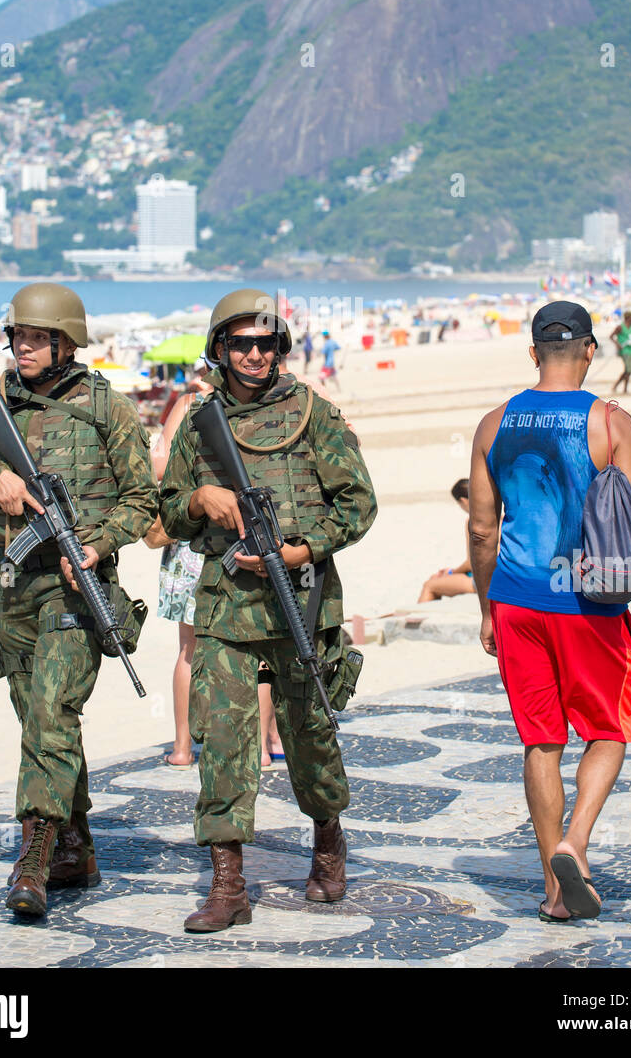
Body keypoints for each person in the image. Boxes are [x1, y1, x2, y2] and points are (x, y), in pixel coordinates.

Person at [159, 288, 377, 933]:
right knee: (223, 742)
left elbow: (358, 505)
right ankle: (228, 884)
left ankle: (328, 838)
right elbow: (166, 512)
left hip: (302, 604)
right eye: (240, 344)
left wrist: (300, 548)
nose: (254, 355)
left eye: (265, 343)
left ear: (280, 348)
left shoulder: (315, 415)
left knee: (310, 736)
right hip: (227, 609)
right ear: (219, 350)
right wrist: (202, 498)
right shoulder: (200, 424)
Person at [0, 284, 158, 919]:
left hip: (75, 590)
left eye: (38, 338)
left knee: (51, 715)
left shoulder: (105, 409)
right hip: (11, 592)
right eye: (18, 338)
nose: (24, 348)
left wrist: (97, 543)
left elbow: (142, 501)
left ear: (66, 342)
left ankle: (31, 859)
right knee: (41, 722)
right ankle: (76, 846)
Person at [468, 300, 631, 923]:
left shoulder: (493, 423)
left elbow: (482, 530)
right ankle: (576, 843)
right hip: (589, 602)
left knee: (541, 741)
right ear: (591, 350)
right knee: (609, 728)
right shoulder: (610, 422)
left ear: (533, 353)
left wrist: (487, 609)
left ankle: (556, 896)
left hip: (515, 600)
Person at [145, 361, 287, 771]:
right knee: (260, 647)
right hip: (245, 537)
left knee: (189, 651)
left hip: (192, 540)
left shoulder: (189, 404)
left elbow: (162, 468)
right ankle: (263, 745)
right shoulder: (269, 403)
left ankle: (184, 748)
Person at [418, 479, 476, 601]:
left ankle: (415, 617)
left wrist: (451, 573)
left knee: (430, 585)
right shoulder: (499, 515)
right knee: (438, 580)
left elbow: (472, 563)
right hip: (504, 575)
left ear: (463, 501)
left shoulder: (472, 521)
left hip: (485, 581)